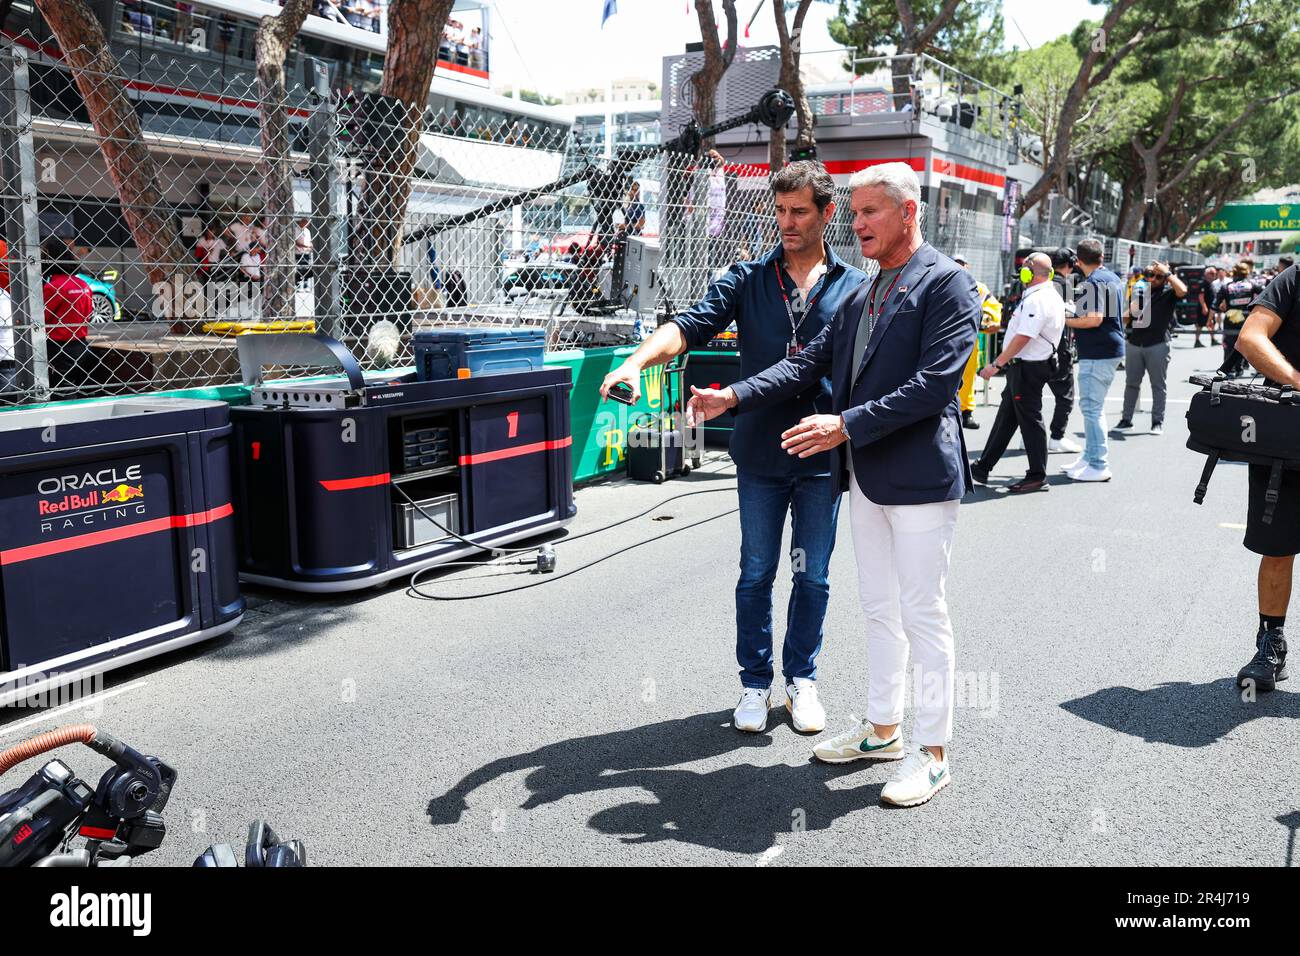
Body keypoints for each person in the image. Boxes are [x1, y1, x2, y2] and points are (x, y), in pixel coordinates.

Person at [687, 162, 979, 808]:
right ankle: (883, 729)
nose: (857, 222)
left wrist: (843, 424)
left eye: (870, 210)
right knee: (878, 608)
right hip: (869, 478)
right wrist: (729, 396)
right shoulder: (864, 291)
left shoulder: (947, 284)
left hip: (922, 478)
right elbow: (805, 365)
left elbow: (933, 387)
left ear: (909, 213)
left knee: (922, 612)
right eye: (854, 211)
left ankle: (931, 753)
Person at [600, 161, 867, 735]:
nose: (787, 222)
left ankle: (802, 680)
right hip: (760, 457)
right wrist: (633, 360)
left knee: (814, 577)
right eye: (780, 211)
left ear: (827, 213)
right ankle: (754, 683)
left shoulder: (853, 287)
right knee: (756, 572)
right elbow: (690, 325)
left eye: (799, 211)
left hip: (821, 455)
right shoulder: (746, 278)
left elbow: (814, 365)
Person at [1232, 262, 1300, 691]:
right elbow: (1250, 337)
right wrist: (1297, 380)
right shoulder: (1294, 278)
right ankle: (1270, 646)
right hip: (1287, 436)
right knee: (1277, 549)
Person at [969, 253, 1066, 493]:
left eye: (1024, 269)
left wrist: (996, 364)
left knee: (1030, 421)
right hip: (1026, 366)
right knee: (1007, 417)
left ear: (1029, 273)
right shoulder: (1046, 294)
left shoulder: (1038, 299)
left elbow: (1024, 336)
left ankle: (1037, 475)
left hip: (1028, 367)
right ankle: (982, 468)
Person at [1061, 238, 1125, 482]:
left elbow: (1094, 319)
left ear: (1078, 261)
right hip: (1107, 348)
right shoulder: (1111, 278)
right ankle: (1089, 458)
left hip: (1099, 351)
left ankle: (1098, 464)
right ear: (1101, 257)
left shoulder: (1094, 282)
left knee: (1091, 408)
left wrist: (1064, 319)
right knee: (1092, 407)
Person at [1116, 260, 1185, 435]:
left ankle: (1157, 422)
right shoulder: (1139, 292)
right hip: (1134, 343)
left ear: (1164, 279)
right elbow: (1130, 315)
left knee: (1158, 385)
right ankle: (1126, 419)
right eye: (1149, 275)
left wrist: (1168, 273)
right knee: (1131, 384)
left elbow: (1183, 290)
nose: (1153, 279)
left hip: (1158, 344)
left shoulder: (1168, 293)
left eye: (1158, 276)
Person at [952, 253, 1001, 431]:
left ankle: (966, 412)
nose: (958, 267)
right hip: (944, 338)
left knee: (968, 376)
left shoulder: (979, 288)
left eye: (961, 264)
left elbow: (993, 308)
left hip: (969, 339)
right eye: (955, 263)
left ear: (967, 266)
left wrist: (991, 320)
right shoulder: (941, 284)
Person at [1046, 247, 1082, 454]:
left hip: (1036, 348)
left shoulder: (1040, 283)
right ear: (1070, 265)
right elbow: (1072, 315)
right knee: (1066, 396)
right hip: (1059, 348)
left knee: (1030, 395)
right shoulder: (1064, 285)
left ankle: (1028, 435)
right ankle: (1056, 437)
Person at [1217, 261, 1256, 378]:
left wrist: (1211, 318)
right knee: (1244, 343)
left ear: (1234, 273)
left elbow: (1216, 304)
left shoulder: (1226, 287)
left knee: (1229, 344)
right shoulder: (1252, 285)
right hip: (1246, 318)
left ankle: (1230, 370)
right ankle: (1239, 367)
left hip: (1231, 318)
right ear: (1246, 273)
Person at [1197, 266, 1219, 348]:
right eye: (1212, 273)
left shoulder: (1211, 283)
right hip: (1204, 308)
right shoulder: (1203, 283)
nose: (1214, 275)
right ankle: (1197, 341)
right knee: (1200, 324)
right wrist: (1204, 307)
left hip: (1210, 308)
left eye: (1215, 273)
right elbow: (1201, 296)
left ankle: (1213, 340)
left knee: (1211, 323)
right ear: (1206, 274)